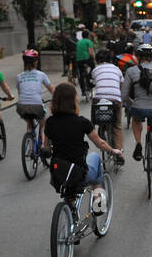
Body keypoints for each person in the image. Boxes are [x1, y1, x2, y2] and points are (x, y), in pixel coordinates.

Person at [44, 82, 123, 216]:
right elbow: (100, 143)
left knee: (68, 182)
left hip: (58, 174)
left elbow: (45, 147)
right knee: (96, 159)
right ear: (73, 101)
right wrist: (113, 151)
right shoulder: (81, 122)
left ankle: (70, 210)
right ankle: (99, 206)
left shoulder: (50, 122)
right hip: (79, 173)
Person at [124, 42, 152, 183]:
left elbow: (124, 94)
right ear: (151, 57)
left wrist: (132, 104)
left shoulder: (131, 71)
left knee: (136, 119)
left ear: (137, 56)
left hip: (139, 107)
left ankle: (138, 143)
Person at [90, 48, 126, 150]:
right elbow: (121, 85)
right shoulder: (117, 69)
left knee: (94, 103)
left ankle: (93, 124)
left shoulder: (95, 70)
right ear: (110, 60)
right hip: (115, 99)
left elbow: (94, 83)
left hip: (99, 99)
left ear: (97, 60)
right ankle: (119, 152)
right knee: (117, 126)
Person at [15, 48, 53, 137]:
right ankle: (44, 145)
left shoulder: (19, 76)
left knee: (29, 121)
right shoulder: (41, 74)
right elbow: (52, 90)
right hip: (36, 105)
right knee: (43, 123)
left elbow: (20, 93)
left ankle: (29, 139)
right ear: (35, 62)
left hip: (21, 107)